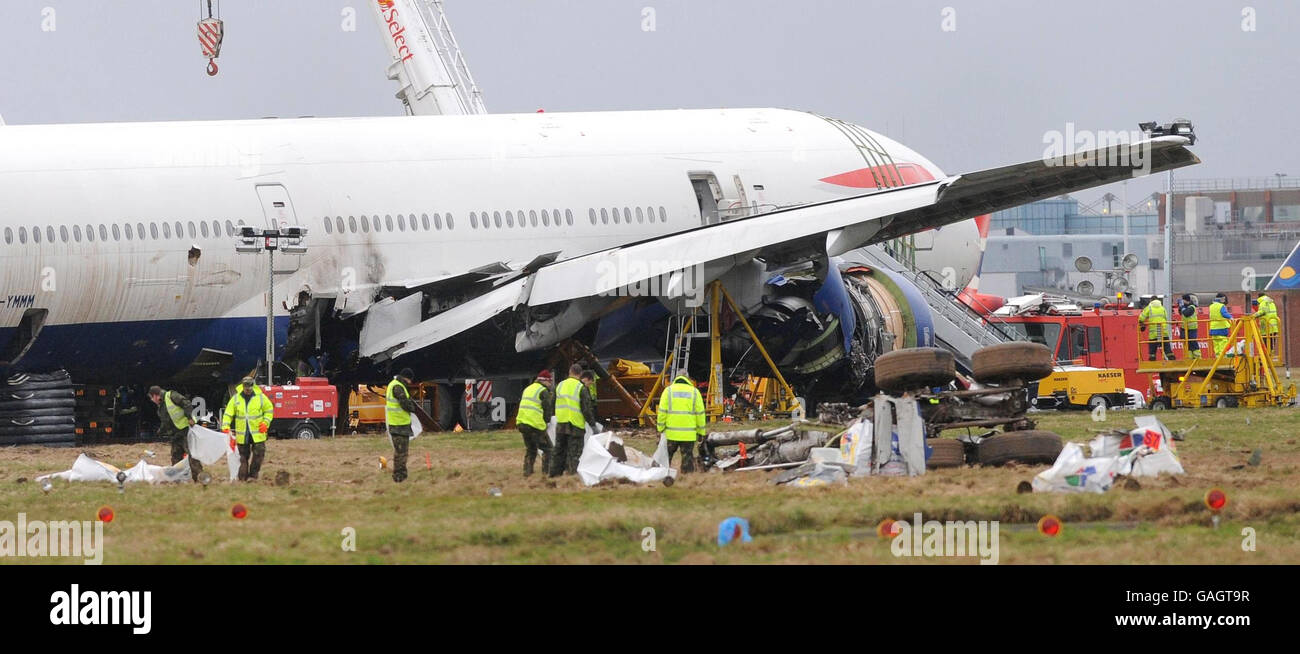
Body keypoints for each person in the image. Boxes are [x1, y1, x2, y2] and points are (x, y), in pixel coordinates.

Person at [221, 377, 274, 481]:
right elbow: (228, 414)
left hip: (258, 434)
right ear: (243, 387)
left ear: (253, 386)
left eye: (250, 387)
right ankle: (242, 478)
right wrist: (225, 426)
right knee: (242, 458)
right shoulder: (236, 399)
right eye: (246, 388)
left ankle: (253, 477)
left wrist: (265, 423)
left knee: (259, 455)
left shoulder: (261, 397)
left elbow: (269, 410)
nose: (248, 390)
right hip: (242, 435)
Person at [551, 364, 598, 477]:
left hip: (561, 424)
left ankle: (554, 475)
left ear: (570, 372)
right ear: (580, 374)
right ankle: (572, 475)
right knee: (575, 452)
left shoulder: (560, 385)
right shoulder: (580, 387)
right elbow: (586, 409)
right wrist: (593, 425)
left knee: (558, 451)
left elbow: (552, 404)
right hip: (575, 425)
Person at [148, 385, 201, 481]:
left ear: (155, 396)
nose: (152, 400)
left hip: (185, 431)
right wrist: (160, 431)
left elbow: (186, 404)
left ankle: (199, 479)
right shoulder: (160, 408)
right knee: (176, 457)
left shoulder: (171, 395)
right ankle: (177, 480)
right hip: (175, 435)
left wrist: (189, 418)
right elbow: (166, 422)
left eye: (152, 398)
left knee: (193, 456)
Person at [656, 373, 706, 473]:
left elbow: (662, 412)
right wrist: (701, 432)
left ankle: (664, 475)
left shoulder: (668, 391)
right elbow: (700, 414)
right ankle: (687, 479)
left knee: (666, 457)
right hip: (688, 435)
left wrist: (660, 429)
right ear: (687, 378)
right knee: (687, 457)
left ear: (676, 378)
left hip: (671, 434)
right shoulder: (695, 392)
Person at [515, 370, 555, 477]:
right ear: (545, 381)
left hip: (522, 423)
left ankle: (527, 474)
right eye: (549, 381)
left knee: (531, 449)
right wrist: (547, 422)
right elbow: (547, 410)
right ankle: (546, 474)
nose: (550, 384)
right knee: (548, 449)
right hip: (535, 425)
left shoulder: (528, 389)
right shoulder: (543, 391)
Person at [385, 368, 419, 483]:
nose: (410, 383)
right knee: (402, 453)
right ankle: (400, 476)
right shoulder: (398, 386)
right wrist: (413, 408)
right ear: (407, 378)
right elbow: (404, 403)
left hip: (397, 424)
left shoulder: (393, 384)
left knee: (399, 452)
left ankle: (400, 475)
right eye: (409, 380)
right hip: (399, 425)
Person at [1207, 293, 1234, 358]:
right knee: (1223, 343)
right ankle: (1223, 357)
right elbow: (1224, 313)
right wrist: (1231, 317)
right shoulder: (1221, 306)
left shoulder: (1211, 306)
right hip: (1221, 328)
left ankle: (1218, 357)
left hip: (1213, 328)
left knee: (1216, 344)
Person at [1178, 295, 1200, 359]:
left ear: (1186, 300)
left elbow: (1186, 313)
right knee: (1187, 344)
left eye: (1183, 300)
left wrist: (1182, 307)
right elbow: (1180, 312)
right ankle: (1189, 358)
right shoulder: (1184, 307)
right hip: (1184, 328)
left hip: (1192, 329)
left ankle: (1197, 358)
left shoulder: (1192, 307)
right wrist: (1181, 306)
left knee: (1193, 343)